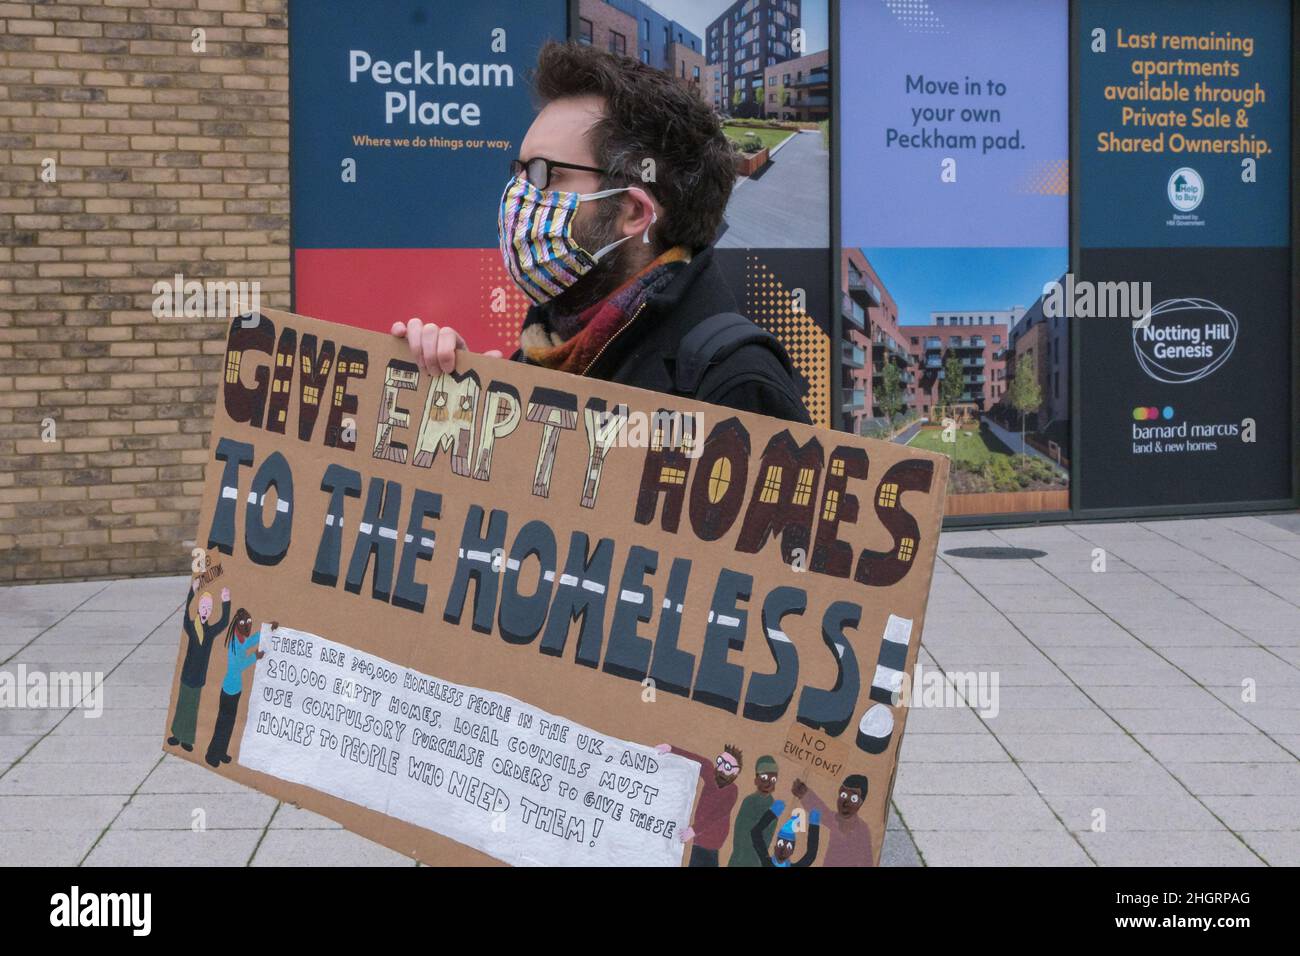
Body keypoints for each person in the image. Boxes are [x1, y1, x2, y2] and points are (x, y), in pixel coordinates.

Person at [392, 41, 810, 425]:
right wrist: (466, 415)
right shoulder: (546, 349)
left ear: (633, 210)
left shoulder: (735, 385)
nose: (517, 195)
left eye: (544, 174)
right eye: (518, 171)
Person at [167, 579, 230, 752]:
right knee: (182, 705)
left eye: (209, 609)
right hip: (187, 673)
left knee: (192, 708)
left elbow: (224, 623)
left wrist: (226, 601)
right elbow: (186, 614)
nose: (206, 611)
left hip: (199, 676)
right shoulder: (191, 627)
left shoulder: (209, 632)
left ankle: (186, 739)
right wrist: (192, 592)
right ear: (198, 608)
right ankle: (176, 735)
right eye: (203, 607)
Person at [204, 611, 272, 768]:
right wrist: (255, 657)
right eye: (243, 623)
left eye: (249, 621)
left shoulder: (241, 640)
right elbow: (238, 667)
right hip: (228, 690)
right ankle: (211, 754)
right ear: (237, 624)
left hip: (236, 690)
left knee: (229, 724)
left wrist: (266, 631)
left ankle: (221, 752)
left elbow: (249, 643)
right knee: (222, 724)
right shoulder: (234, 644)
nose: (247, 625)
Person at [656, 741, 741, 867]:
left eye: (727, 766)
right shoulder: (711, 775)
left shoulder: (732, 790)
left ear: (736, 772)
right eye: (720, 761)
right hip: (699, 839)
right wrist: (671, 748)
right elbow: (696, 760)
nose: (721, 767)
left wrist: (693, 830)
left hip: (712, 840)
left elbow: (717, 815)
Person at [792, 773, 875, 867]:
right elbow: (823, 812)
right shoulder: (835, 820)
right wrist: (805, 794)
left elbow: (867, 860)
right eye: (843, 795)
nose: (845, 803)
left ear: (860, 803)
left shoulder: (862, 830)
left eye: (853, 799)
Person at [727, 754, 779, 867]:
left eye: (773, 780)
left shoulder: (773, 808)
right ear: (756, 780)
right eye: (764, 778)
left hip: (755, 861)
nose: (769, 783)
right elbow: (739, 833)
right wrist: (738, 855)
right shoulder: (748, 801)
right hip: (738, 858)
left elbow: (766, 840)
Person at [751, 800, 821, 868]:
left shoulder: (766, 862)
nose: (783, 849)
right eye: (780, 844)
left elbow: (811, 855)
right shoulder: (766, 862)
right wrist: (772, 813)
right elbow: (755, 833)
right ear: (775, 847)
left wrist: (814, 825)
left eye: (789, 847)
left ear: (792, 852)